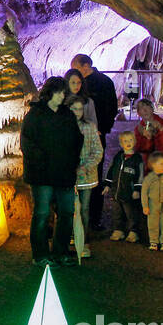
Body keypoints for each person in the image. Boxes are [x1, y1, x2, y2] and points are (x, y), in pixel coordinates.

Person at [22, 76, 83, 266]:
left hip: (64, 174)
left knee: (66, 212)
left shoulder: (67, 115)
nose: (62, 96)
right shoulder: (35, 115)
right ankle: (40, 254)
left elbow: (76, 140)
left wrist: (72, 161)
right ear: (50, 93)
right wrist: (41, 161)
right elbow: (27, 143)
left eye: (64, 92)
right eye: (59, 92)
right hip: (42, 175)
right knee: (42, 214)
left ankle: (60, 251)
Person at [72, 54, 118, 231]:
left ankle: (92, 216)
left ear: (85, 66)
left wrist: (102, 128)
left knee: (94, 173)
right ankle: (88, 217)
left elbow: (111, 107)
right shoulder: (99, 81)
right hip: (88, 134)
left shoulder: (101, 83)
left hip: (96, 134)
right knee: (87, 172)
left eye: (76, 66)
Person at [69, 94, 104, 259]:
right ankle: (70, 238)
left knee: (84, 209)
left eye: (80, 109)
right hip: (68, 176)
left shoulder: (89, 127)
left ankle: (84, 241)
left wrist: (85, 166)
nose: (77, 112)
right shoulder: (63, 127)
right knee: (68, 209)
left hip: (86, 176)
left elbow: (98, 150)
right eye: (74, 109)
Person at [105, 131, 145, 242]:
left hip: (129, 192)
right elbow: (111, 170)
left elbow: (140, 175)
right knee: (117, 212)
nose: (128, 143)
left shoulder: (137, 159)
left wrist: (137, 189)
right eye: (125, 141)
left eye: (130, 140)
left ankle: (133, 231)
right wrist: (107, 184)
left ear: (135, 141)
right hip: (116, 191)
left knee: (130, 213)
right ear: (121, 144)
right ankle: (118, 230)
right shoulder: (118, 156)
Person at [142, 153, 163, 251]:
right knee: (153, 223)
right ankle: (153, 241)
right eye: (161, 164)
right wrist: (145, 206)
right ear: (153, 164)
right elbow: (144, 192)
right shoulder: (149, 178)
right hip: (153, 204)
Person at [134, 98, 163, 169]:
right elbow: (140, 148)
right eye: (141, 108)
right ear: (138, 113)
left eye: (147, 107)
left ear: (152, 109)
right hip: (151, 168)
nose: (145, 110)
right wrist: (147, 138)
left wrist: (161, 129)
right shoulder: (139, 129)